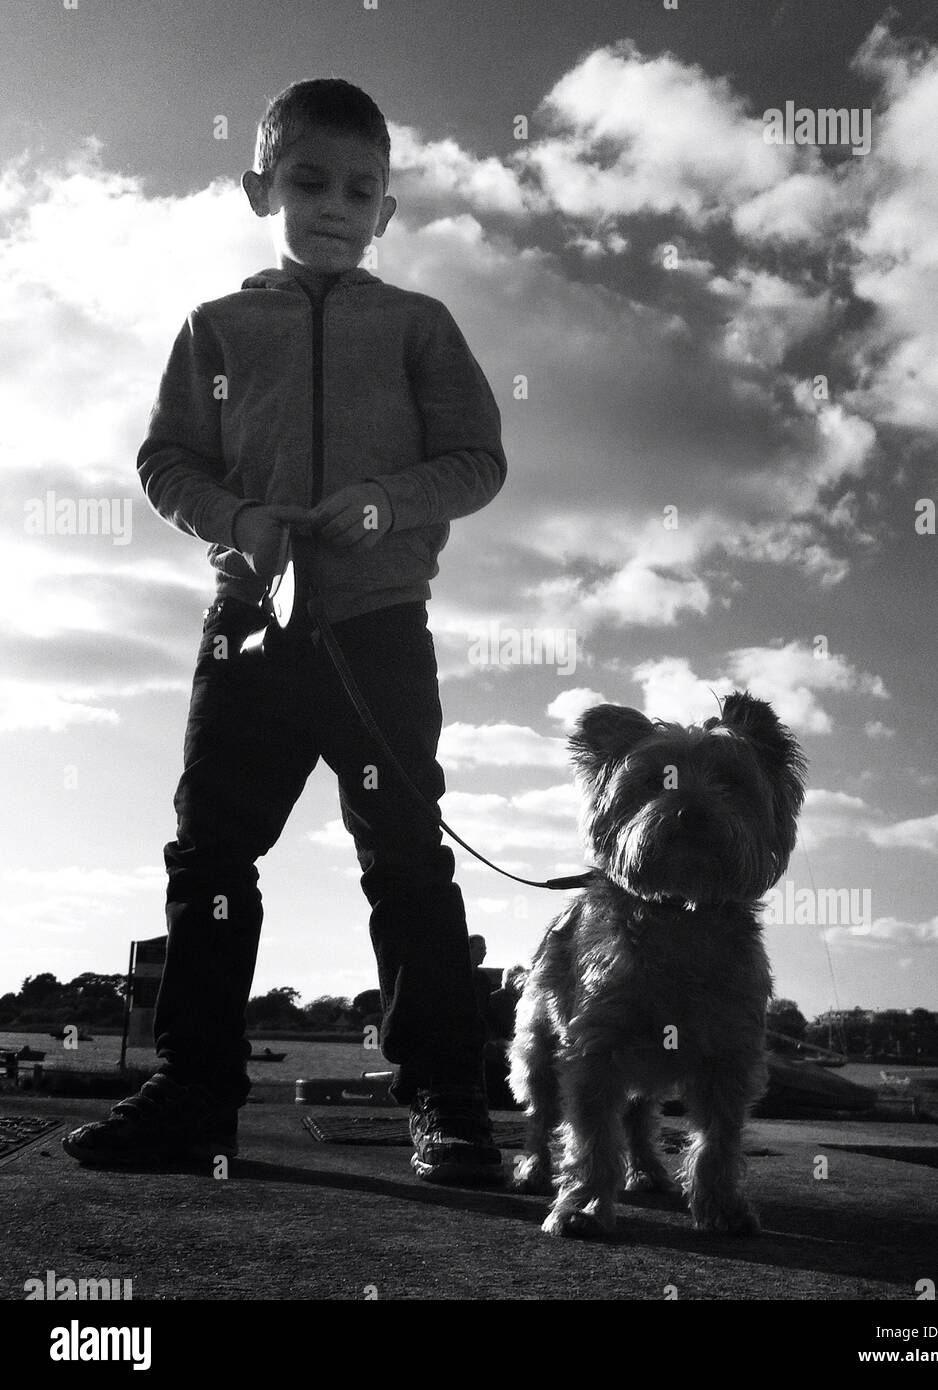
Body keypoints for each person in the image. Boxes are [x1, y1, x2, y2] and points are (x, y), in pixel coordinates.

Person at [62, 78, 507, 1186]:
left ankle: (449, 1102)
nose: (334, 203)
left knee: (406, 859)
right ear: (261, 187)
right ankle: (194, 1094)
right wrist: (241, 521)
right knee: (212, 855)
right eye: (308, 179)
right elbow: (168, 462)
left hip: (380, 630)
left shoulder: (420, 325)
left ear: (387, 212)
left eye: (361, 188)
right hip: (247, 630)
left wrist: (384, 505)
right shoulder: (214, 326)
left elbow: (477, 461)